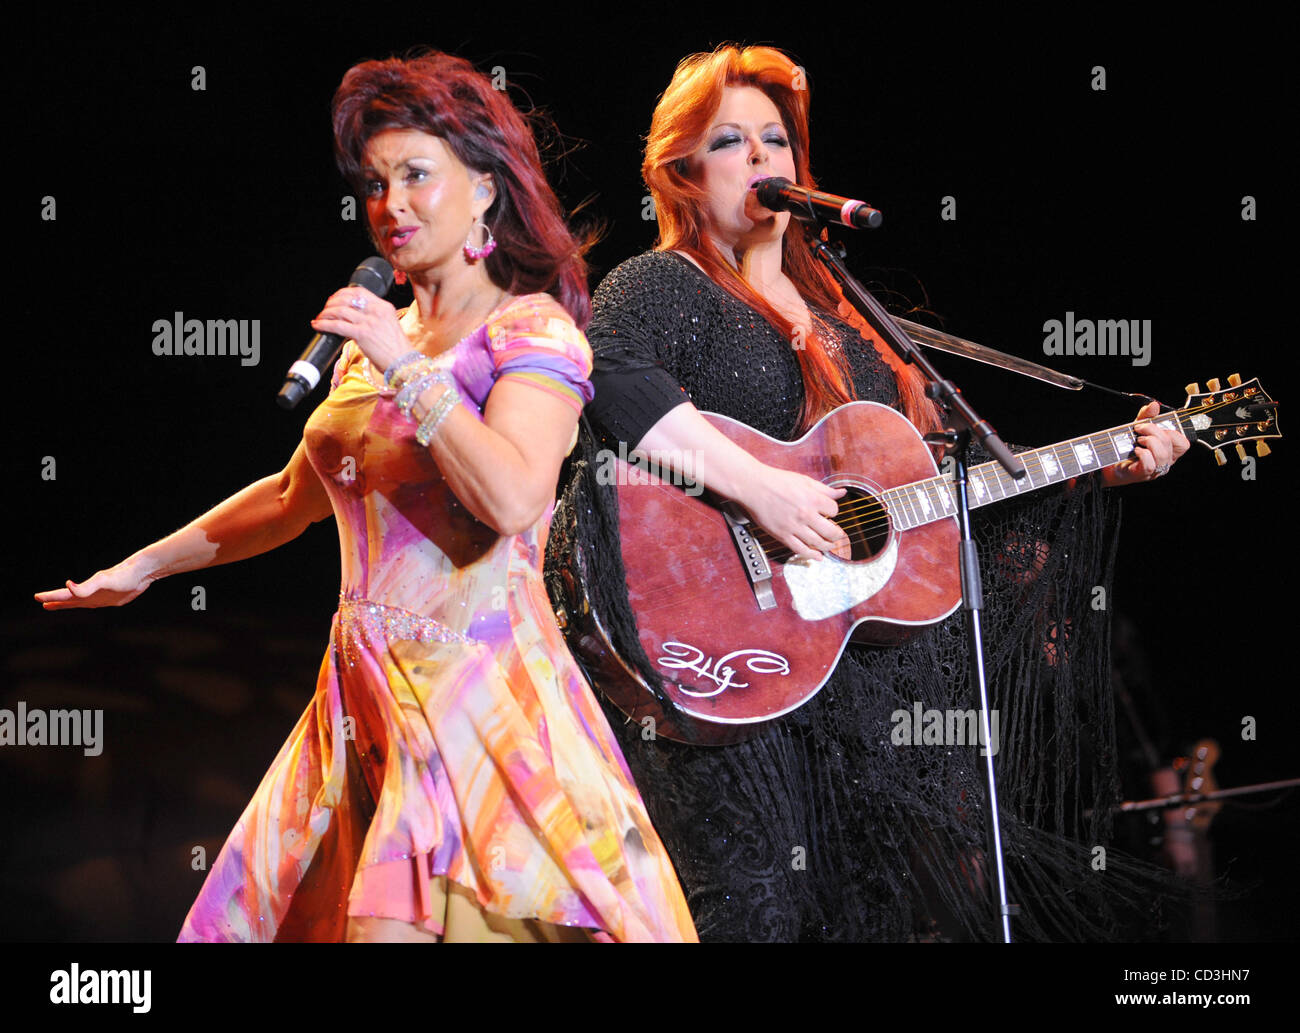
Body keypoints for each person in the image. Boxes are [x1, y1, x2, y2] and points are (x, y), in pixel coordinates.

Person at [36, 51, 697, 944]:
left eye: (417, 175)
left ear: (486, 191)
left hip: (478, 699)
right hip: (362, 696)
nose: (392, 206)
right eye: (376, 184)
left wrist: (406, 366)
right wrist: (141, 566)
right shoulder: (374, 345)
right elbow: (285, 500)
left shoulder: (528, 332)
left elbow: (510, 496)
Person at [546, 44, 1189, 941]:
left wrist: (1105, 462)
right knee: (755, 912)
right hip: (729, 678)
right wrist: (763, 492)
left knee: (871, 916)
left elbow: (929, 502)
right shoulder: (663, 285)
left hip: (857, 695)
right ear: (681, 171)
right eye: (730, 141)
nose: (764, 159)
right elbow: (607, 373)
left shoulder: (856, 331)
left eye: (777, 140)